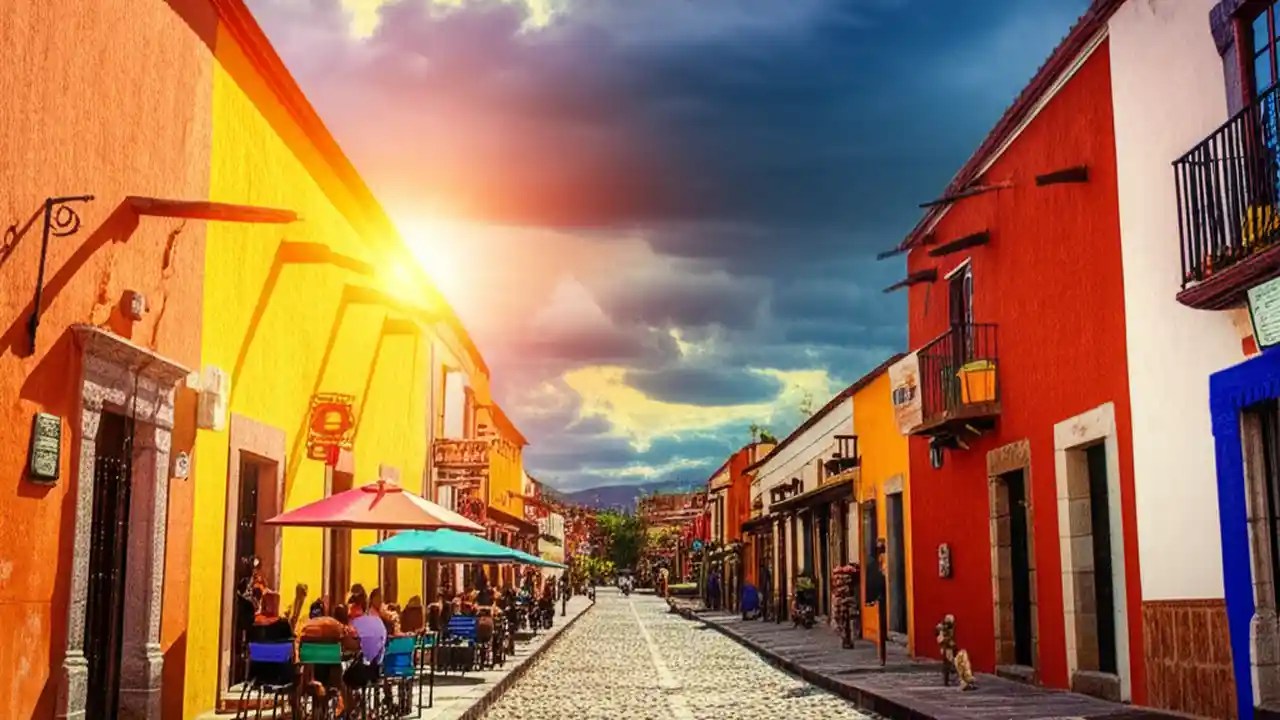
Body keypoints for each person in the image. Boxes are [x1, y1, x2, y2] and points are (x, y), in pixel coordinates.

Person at [344, 595, 387, 712]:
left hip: (360, 673)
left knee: (342, 676)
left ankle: (350, 706)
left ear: (356, 607)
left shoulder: (353, 624)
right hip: (376, 671)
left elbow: (348, 647)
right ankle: (358, 703)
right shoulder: (378, 621)